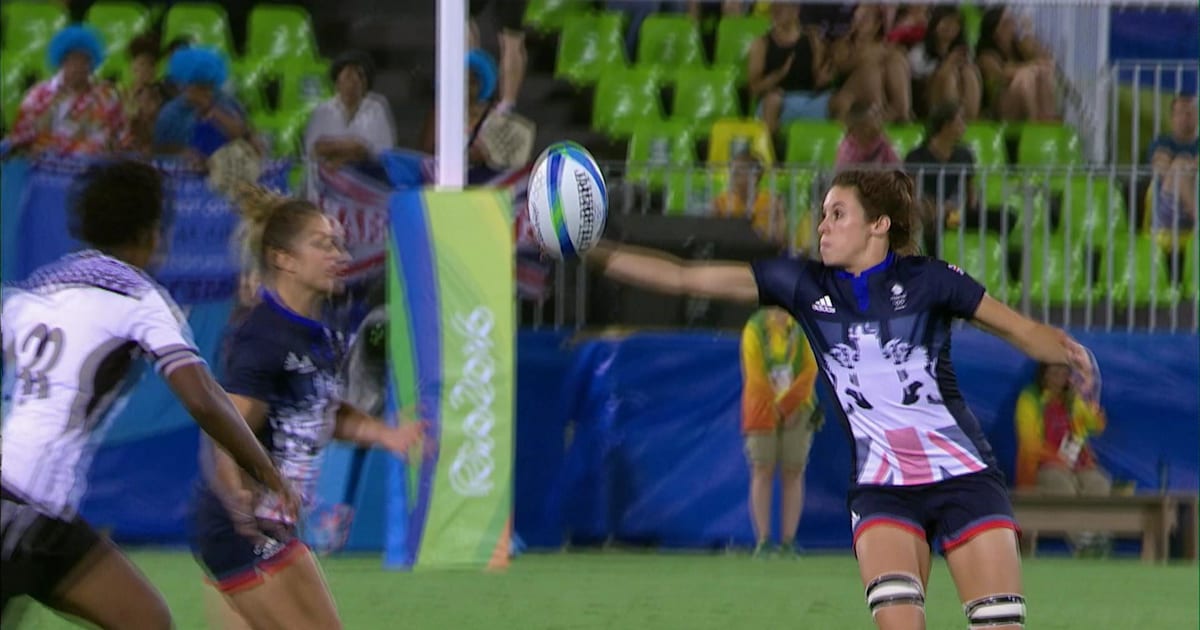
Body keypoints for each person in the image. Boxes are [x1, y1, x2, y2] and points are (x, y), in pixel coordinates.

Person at [585, 169, 1096, 629]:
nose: (822, 225)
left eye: (837, 214)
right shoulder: (805, 285)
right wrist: (594, 249)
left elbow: (1023, 332)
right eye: (822, 214)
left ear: (879, 225)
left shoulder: (930, 280)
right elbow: (682, 277)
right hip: (883, 489)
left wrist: (1072, 354)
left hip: (965, 477)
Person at [1, 160, 294, 628]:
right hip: (30, 504)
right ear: (150, 233)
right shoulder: (137, 296)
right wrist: (264, 469)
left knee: (147, 621)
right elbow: (203, 398)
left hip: (36, 507)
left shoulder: (41, 288)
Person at [190, 186, 425, 629]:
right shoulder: (262, 335)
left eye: (337, 243)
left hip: (274, 525)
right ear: (284, 259)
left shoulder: (322, 335)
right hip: (243, 526)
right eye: (322, 244)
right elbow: (228, 429)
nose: (338, 253)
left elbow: (321, 411)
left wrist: (388, 435)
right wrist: (241, 492)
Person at [740, 307, 822, 557]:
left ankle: (789, 540)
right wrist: (777, 408)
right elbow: (754, 374)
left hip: (799, 407)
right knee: (762, 469)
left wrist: (790, 405)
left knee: (793, 471)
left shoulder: (802, 326)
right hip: (762, 409)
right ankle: (763, 540)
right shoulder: (754, 328)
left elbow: (811, 368)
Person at [5, 25, 128, 156]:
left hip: (95, 167)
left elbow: (119, 135)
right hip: (46, 166)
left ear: (92, 63)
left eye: (85, 60)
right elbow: (21, 135)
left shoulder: (107, 94)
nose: (79, 66)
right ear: (61, 62)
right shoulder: (39, 93)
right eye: (73, 60)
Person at [1014, 363, 1109, 495]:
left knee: (1099, 485)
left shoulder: (1073, 398)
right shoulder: (1030, 398)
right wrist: (1056, 459)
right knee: (1064, 489)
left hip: (1075, 463)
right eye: (1054, 371)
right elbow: (1030, 444)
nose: (1059, 376)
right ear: (1044, 373)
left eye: (1064, 371)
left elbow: (1092, 426)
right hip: (1044, 464)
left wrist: (1097, 420)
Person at [748, 3, 834, 134]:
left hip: (808, 101)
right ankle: (770, 150)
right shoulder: (761, 43)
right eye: (774, 7)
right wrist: (778, 75)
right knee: (773, 99)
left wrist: (822, 80)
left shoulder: (812, 40)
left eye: (782, 6)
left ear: (796, 10)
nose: (775, 11)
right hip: (777, 102)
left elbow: (817, 82)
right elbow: (753, 89)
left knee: (838, 99)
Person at [975, 6, 1058, 122]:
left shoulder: (1019, 45)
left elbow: (1046, 61)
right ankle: (1034, 120)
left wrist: (1027, 33)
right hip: (1002, 105)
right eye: (1006, 22)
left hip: (1028, 99)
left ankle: (1048, 117)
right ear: (995, 31)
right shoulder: (986, 55)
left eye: (1012, 20)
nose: (1012, 24)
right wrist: (1033, 66)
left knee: (1043, 72)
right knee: (1025, 77)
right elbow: (1003, 74)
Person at [835, 101, 901, 170]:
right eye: (874, 118)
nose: (880, 122)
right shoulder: (848, 149)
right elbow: (843, 176)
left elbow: (897, 169)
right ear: (861, 127)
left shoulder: (883, 144)